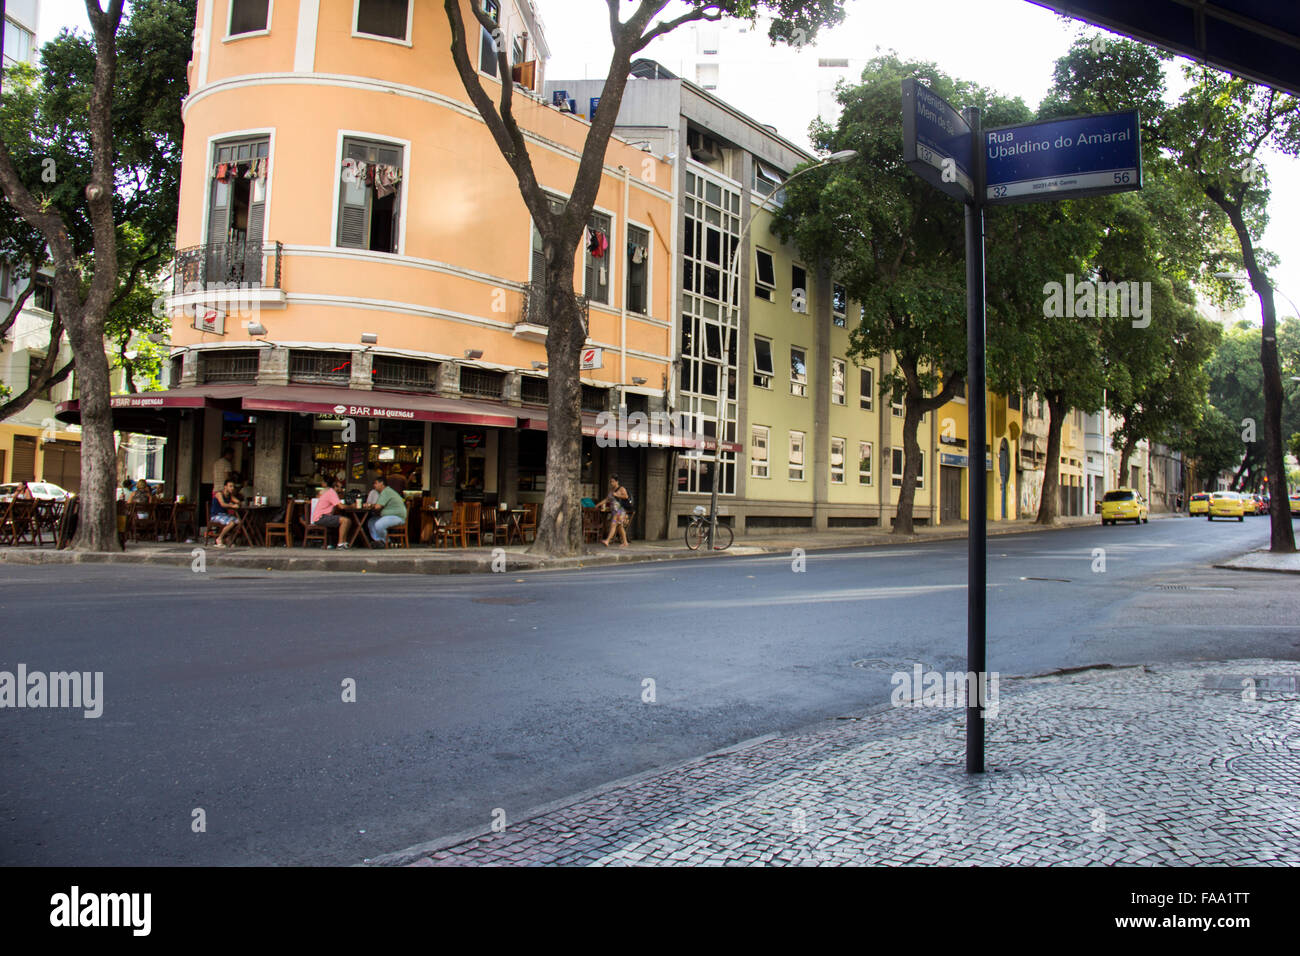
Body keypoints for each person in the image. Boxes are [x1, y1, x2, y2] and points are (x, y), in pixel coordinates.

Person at [310, 477, 352, 549]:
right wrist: (351, 506)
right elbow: (341, 507)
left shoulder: (330, 492)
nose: (342, 489)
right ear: (335, 487)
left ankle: (344, 542)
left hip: (324, 516)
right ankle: (340, 544)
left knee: (348, 521)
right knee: (345, 520)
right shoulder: (332, 493)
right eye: (341, 487)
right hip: (321, 517)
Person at [366, 475, 407, 546]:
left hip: (397, 517)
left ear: (381, 483)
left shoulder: (386, 492)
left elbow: (377, 507)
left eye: (375, 483)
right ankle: (378, 540)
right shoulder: (385, 491)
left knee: (379, 524)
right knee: (371, 521)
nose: (374, 485)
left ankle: (385, 541)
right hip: (390, 516)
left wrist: (369, 505)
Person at [600, 476, 632, 548]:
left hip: (620, 511)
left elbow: (626, 496)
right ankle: (625, 542)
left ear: (617, 482)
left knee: (613, 525)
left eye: (613, 481)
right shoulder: (611, 490)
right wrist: (598, 505)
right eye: (610, 482)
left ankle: (607, 540)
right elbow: (607, 499)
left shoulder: (621, 488)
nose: (611, 483)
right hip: (615, 511)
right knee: (620, 527)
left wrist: (617, 494)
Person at [209, 479, 241, 548]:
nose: (232, 488)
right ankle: (219, 538)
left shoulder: (229, 495)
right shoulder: (219, 494)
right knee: (232, 523)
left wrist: (236, 502)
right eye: (230, 486)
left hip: (225, 516)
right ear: (225, 487)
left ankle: (228, 538)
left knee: (239, 522)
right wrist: (232, 505)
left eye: (233, 487)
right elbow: (222, 504)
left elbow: (237, 501)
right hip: (216, 515)